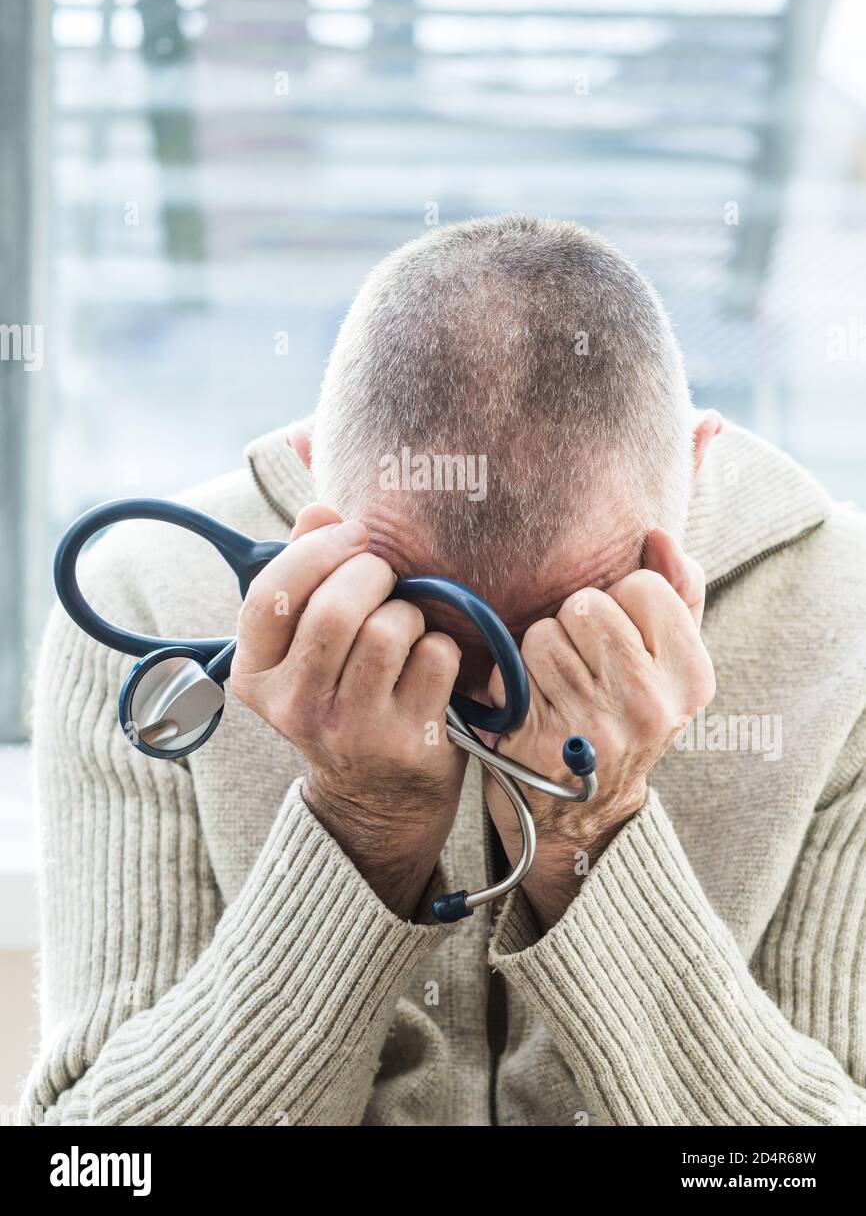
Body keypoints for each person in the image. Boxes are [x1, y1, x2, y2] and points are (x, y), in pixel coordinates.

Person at [23, 216, 866, 1126]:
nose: (496, 701)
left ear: (697, 469)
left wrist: (592, 831)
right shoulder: (146, 603)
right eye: (420, 620)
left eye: (568, 626)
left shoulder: (848, 627)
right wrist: (360, 829)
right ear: (315, 482)